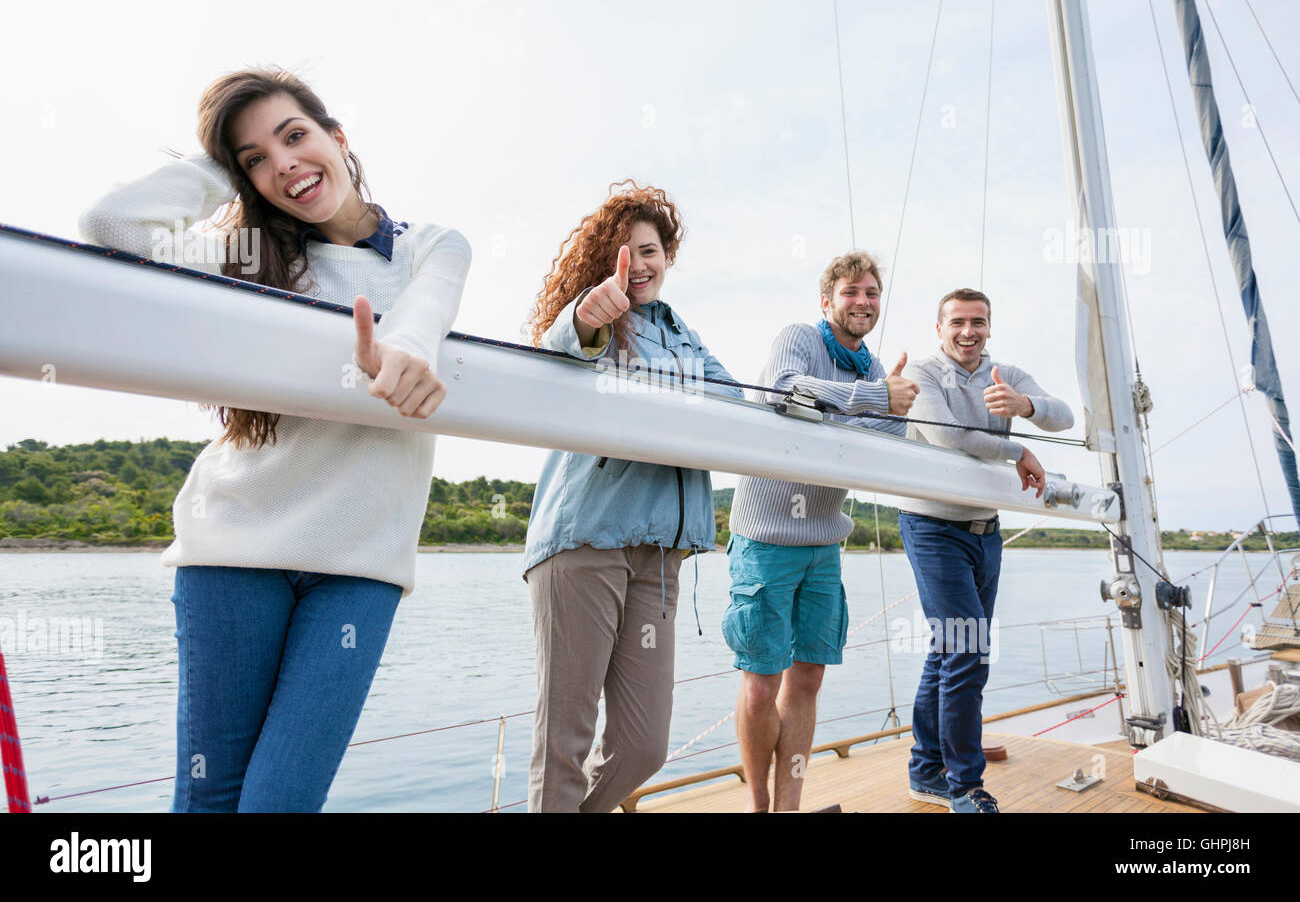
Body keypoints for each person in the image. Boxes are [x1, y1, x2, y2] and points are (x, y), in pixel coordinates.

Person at [78, 68, 472, 812]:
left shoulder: (431, 244)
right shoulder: (244, 257)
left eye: (294, 136)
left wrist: (405, 352)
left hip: (359, 565)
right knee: (209, 799)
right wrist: (218, 164)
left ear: (338, 138)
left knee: (279, 803)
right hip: (233, 549)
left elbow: (428, 305)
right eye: (255, 158)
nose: (283, 162)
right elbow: (111, 227)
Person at [522, 180, 742, 812]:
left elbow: (738, 401)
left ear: (667, 256)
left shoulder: (683, 335)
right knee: (565, 736)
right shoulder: (593, 314)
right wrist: (589, 317)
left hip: (662, 555)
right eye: (625, 254)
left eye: (650, 251)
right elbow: (557, 352)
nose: (639, 265)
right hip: (587, 539)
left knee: (644, 745)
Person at [725, 250, 917, 812]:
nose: (863, 302)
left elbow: (885, 439)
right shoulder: (799, 338)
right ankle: (759, 807)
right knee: (761, 682)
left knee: (807, 679)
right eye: (852, 291)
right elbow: (783, 390)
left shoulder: (875, 368)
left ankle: (790, 808)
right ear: (827, 299)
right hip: (766, 536)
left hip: (825, 541)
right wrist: (872, 400)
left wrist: (894, 409)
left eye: (873, 293)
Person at [895, 288, 1073, 813]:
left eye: (977, 322)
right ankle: (965, 787)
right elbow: (949, 435)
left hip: (984, 530)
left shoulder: (1006, 374)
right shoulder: (924, 374)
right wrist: (1018, 447)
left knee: (950, 650)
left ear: (989, 327)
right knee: (967, 650)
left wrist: (1027, 407)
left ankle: (925, 772)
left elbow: (1062, 417)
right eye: (957, 322)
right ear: (940, 328)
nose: (967, 331)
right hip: (930, 525)